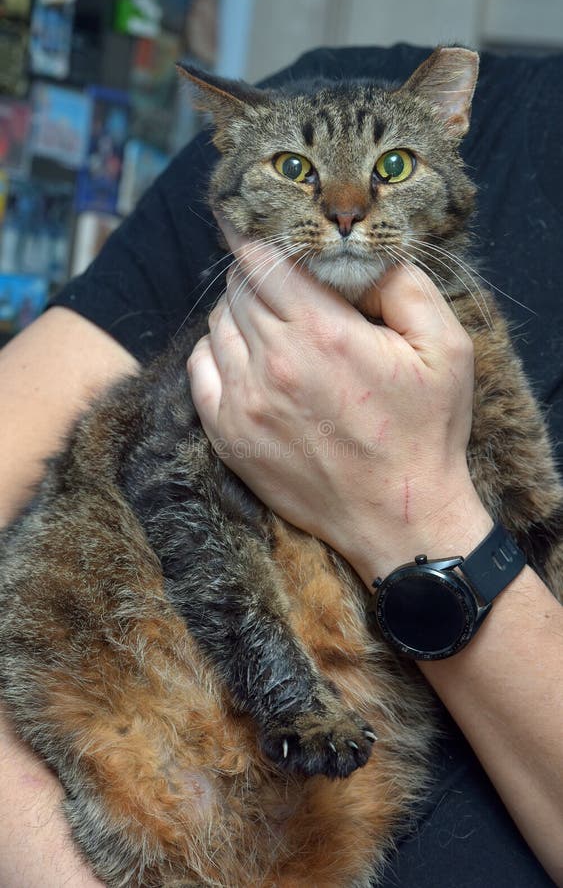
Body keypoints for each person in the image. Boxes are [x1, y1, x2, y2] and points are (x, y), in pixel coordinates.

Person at [0, 43, 562, 887]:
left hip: (335, 827)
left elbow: (534, 515)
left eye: (393, 166)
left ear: (450, 133)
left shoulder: (468, 329)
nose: (343, 205)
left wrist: (411, 509)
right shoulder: (215, 338)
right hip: (127, 759)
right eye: (299, 171)